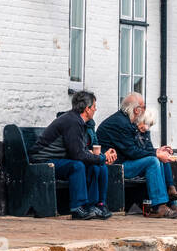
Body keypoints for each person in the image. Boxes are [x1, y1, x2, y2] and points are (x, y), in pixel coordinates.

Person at [96, 92, 177, 218]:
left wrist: (158, 151)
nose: (145, 110)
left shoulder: (127, 121)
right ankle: (158, 206)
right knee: (153, 161)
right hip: (115, 166)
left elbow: (137, 149)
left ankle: (171, 202)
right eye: (144, 107)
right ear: (137, 110)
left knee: (160, 158)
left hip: (125, 160)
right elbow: (132, 152)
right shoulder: (121, 123)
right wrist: (156, 153)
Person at [29, 90, 116, 220]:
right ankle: (78, 207)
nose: (95, 109)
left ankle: (95, 205)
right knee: (78, 166)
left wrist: (100, 158)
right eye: (94, 107)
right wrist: (102, 157)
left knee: (97, 166)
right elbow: (78, 155)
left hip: (59, 159)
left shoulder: (78, 121)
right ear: (87, 109)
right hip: (43, 161)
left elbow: (79, 150)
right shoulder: (72, 122)